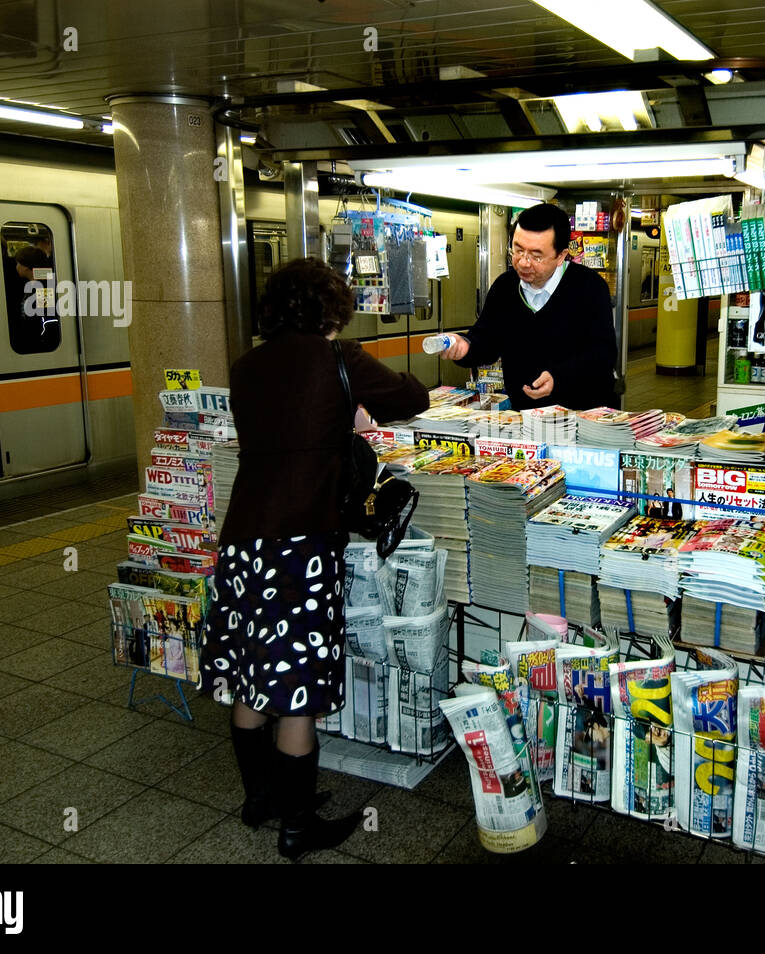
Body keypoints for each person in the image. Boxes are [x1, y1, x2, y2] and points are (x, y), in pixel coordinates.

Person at [199, 257, 429, 860]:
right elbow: (412, 395)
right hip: (300, 546)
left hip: (244, 539)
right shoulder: (338, 360)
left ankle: (261, 799)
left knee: (254, 673)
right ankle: (298, 827)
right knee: (297, 686)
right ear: (330, 311)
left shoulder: (246, 367)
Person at [438, 203, 617, 410]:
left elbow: (602, 355)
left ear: (561, 256)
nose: (523, 262)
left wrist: (559, 377)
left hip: (582, 415)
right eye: (518, 250)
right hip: (524, 416)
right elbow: (487, 341)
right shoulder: (505, 287)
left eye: (536, 255)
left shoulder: (589, 287)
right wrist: (465, 346)